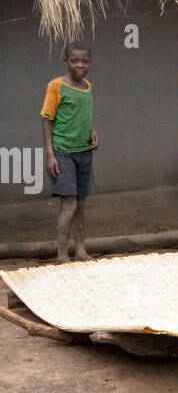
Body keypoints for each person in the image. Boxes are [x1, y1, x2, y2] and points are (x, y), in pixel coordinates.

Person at [40, 41, 100, 262]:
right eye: (74, 61)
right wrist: (50, 154)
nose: (80, 65)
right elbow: (47, 120)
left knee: (81, 204)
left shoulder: (88, 87)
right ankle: (62, 253)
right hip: (63, 153)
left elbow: (83, 116)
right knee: (69, 203)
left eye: (84, 61)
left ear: (90, 63)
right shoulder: (56, 86)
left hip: (84, 152)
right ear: (66, 61)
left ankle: (81, 250)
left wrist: (92, 132)